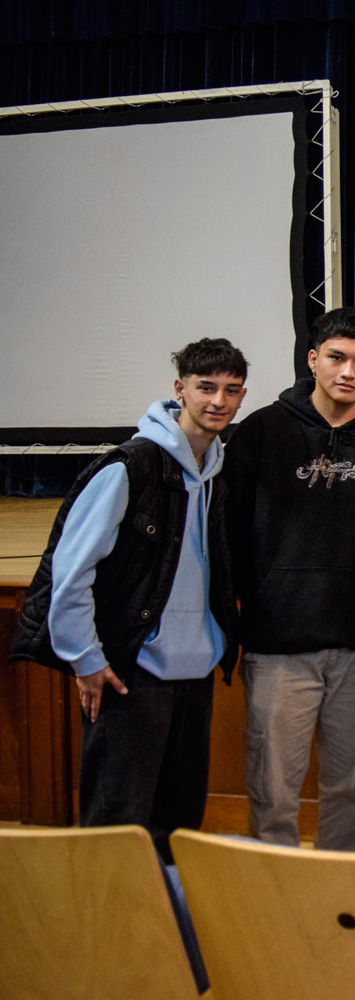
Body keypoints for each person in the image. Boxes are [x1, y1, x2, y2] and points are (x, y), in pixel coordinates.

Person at [11, 339, 247, 861]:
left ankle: (161, 938)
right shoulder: (129, 467)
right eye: (206, 388)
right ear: (180, 389)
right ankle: (103, 939)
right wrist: (87, 660)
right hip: (129, 673)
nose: (218, 401)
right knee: (116, 827)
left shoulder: (219, 474)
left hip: (194, 673)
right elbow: (70, 575)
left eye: (231, 391)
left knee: (177, 826)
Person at [224, 307, 355, 852]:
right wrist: (247, 610)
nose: (347, 371)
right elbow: (231, 536)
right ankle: (274, 898)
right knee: (273, 790)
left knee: (348, 788)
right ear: (313, 360)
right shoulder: (260, 433)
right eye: (336, 358)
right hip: (278, 643)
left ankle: (341, 894)